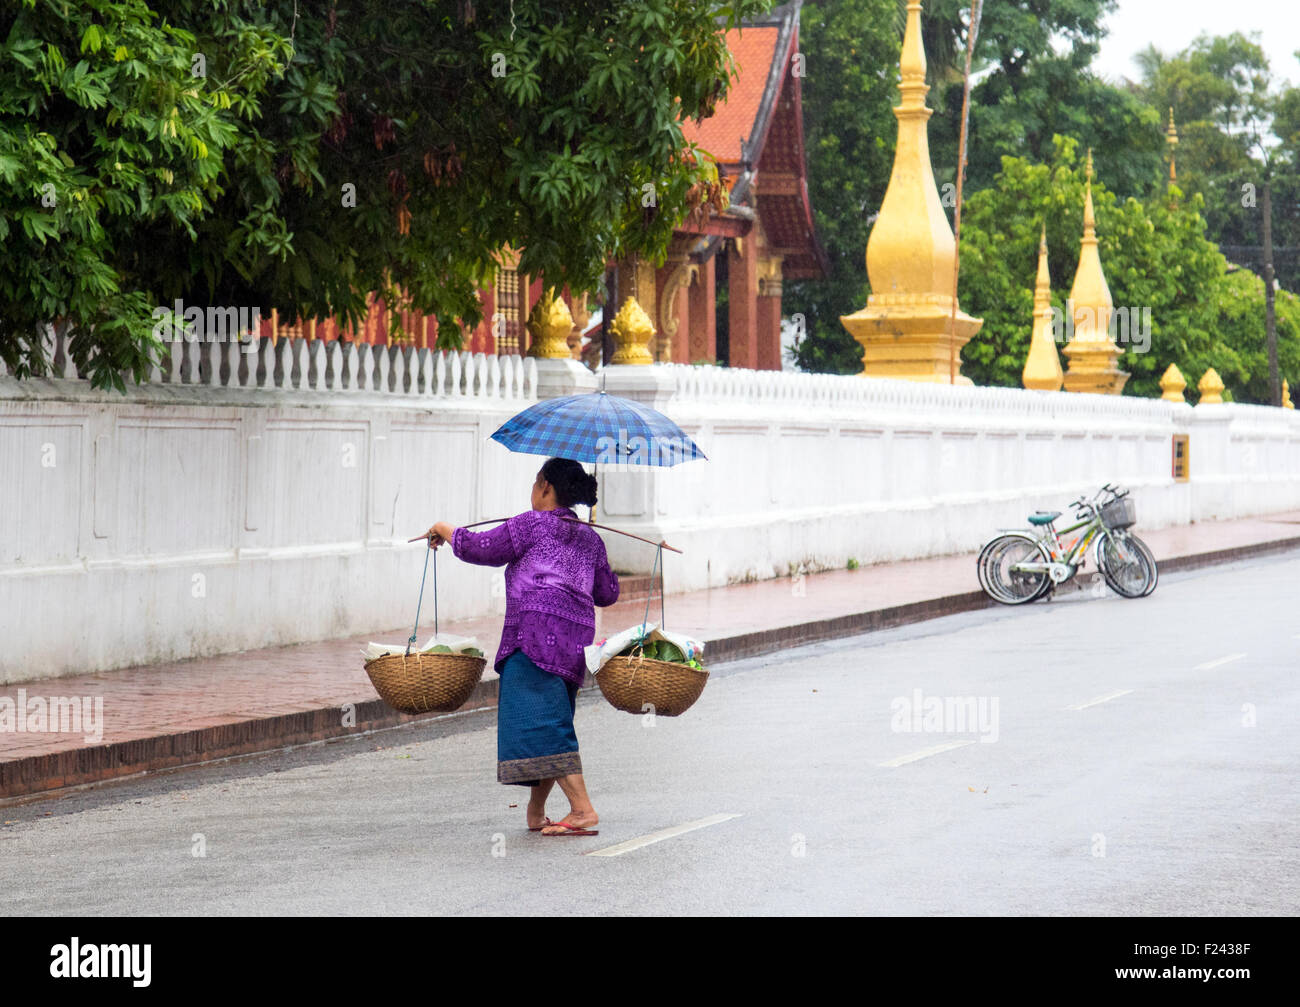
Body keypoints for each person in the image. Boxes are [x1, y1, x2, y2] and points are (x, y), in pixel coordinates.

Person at [424, 457, 619, 837]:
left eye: (535, 483)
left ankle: (582, 810)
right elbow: (607, 593)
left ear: (546, 487)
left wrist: (444, 528)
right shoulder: (590, 538)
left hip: (533, 639)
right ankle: (536, 811)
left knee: (545, 724)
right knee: (550, 721)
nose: (532, 490)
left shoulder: (531, 524)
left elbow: (480, 548)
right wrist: (594, 549)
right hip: (573, 644)